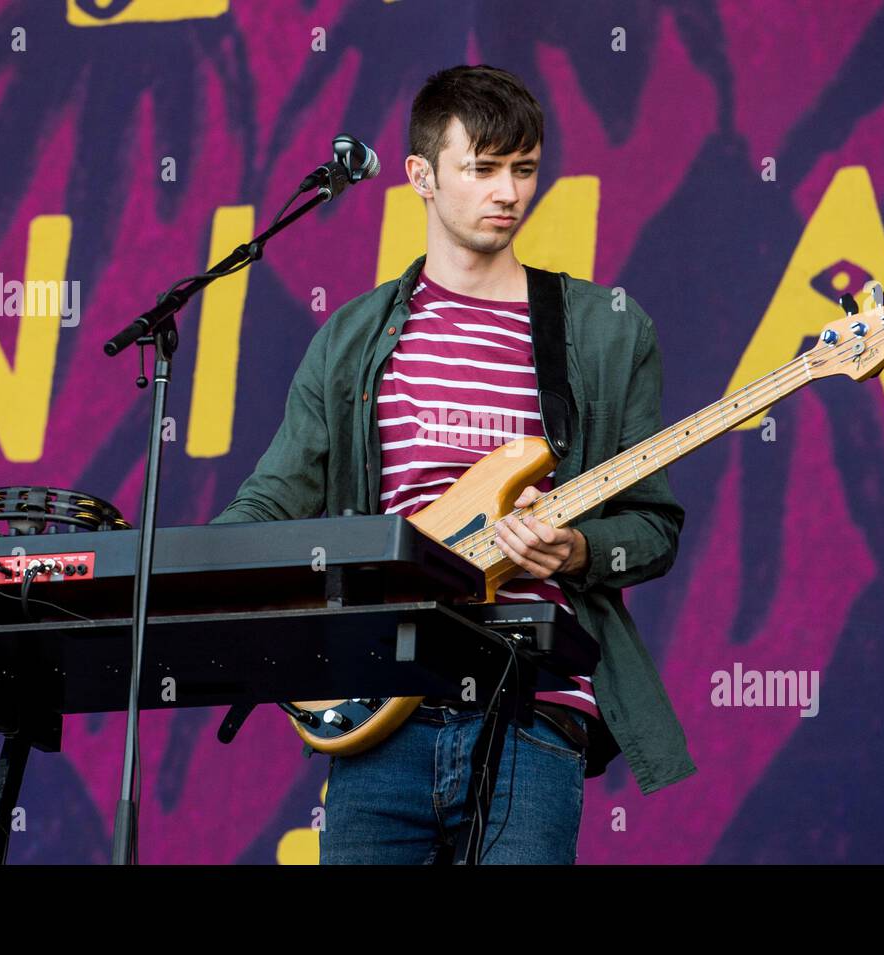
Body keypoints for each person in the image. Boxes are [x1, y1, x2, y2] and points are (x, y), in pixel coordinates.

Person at [211, 64, 697, 864]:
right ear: (421, 177)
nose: (508, 191)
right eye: (483, 168)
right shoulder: (354, 338)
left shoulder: (605, 332)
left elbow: (653, 526)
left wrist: (576, 548)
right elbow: (273, 497)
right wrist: (196, 573)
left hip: (531, 707)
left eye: (525, 169)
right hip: (379, 708)